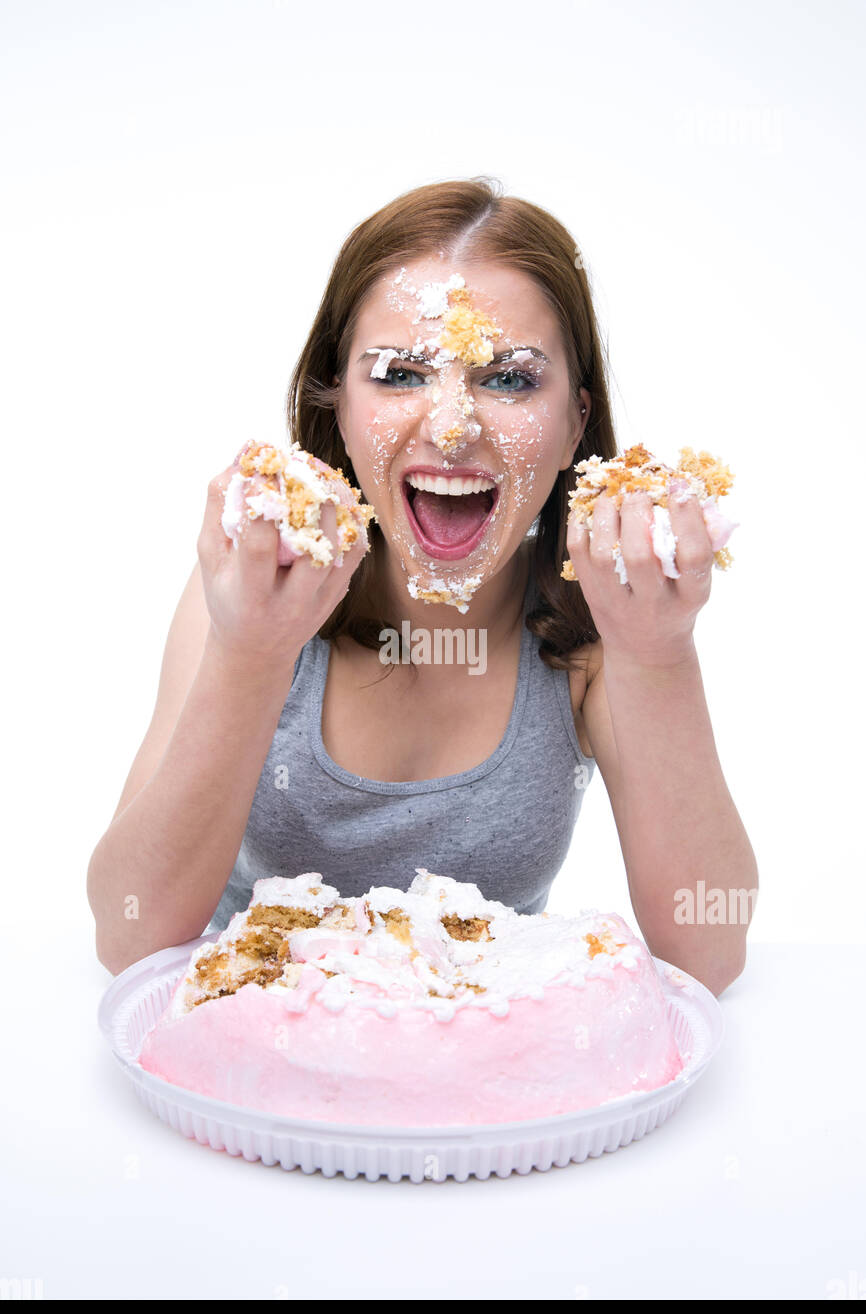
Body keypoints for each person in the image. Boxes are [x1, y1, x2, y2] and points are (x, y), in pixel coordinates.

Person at [87, 176, 757, 994]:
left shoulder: (595, 634)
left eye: (509, 379)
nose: (451, 425)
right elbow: (128, 935)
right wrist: (250, 654)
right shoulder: (251, 592)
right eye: (400, 373)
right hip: (257, 1066)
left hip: (486, 1080)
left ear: (575, 423)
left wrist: (658, 655)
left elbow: (708, 954)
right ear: (336, 406)